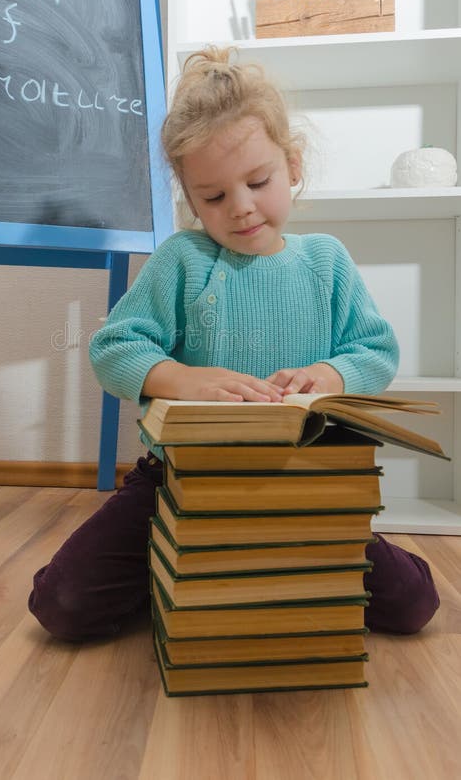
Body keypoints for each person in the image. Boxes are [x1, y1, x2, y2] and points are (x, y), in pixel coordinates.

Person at [28, 47, 439, 641]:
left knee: (413, 604)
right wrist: (181, 378)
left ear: (292, 166)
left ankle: (236, 567)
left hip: (302, 478)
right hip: (180, 476)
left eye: (258, 182)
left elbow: (376, 350)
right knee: (61, 604)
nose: (241, 208)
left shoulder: (325, 261)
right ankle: (181, 566)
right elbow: (113, 348)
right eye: (214, 197)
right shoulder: (182, 259)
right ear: (191, 198)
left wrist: (328, 374)